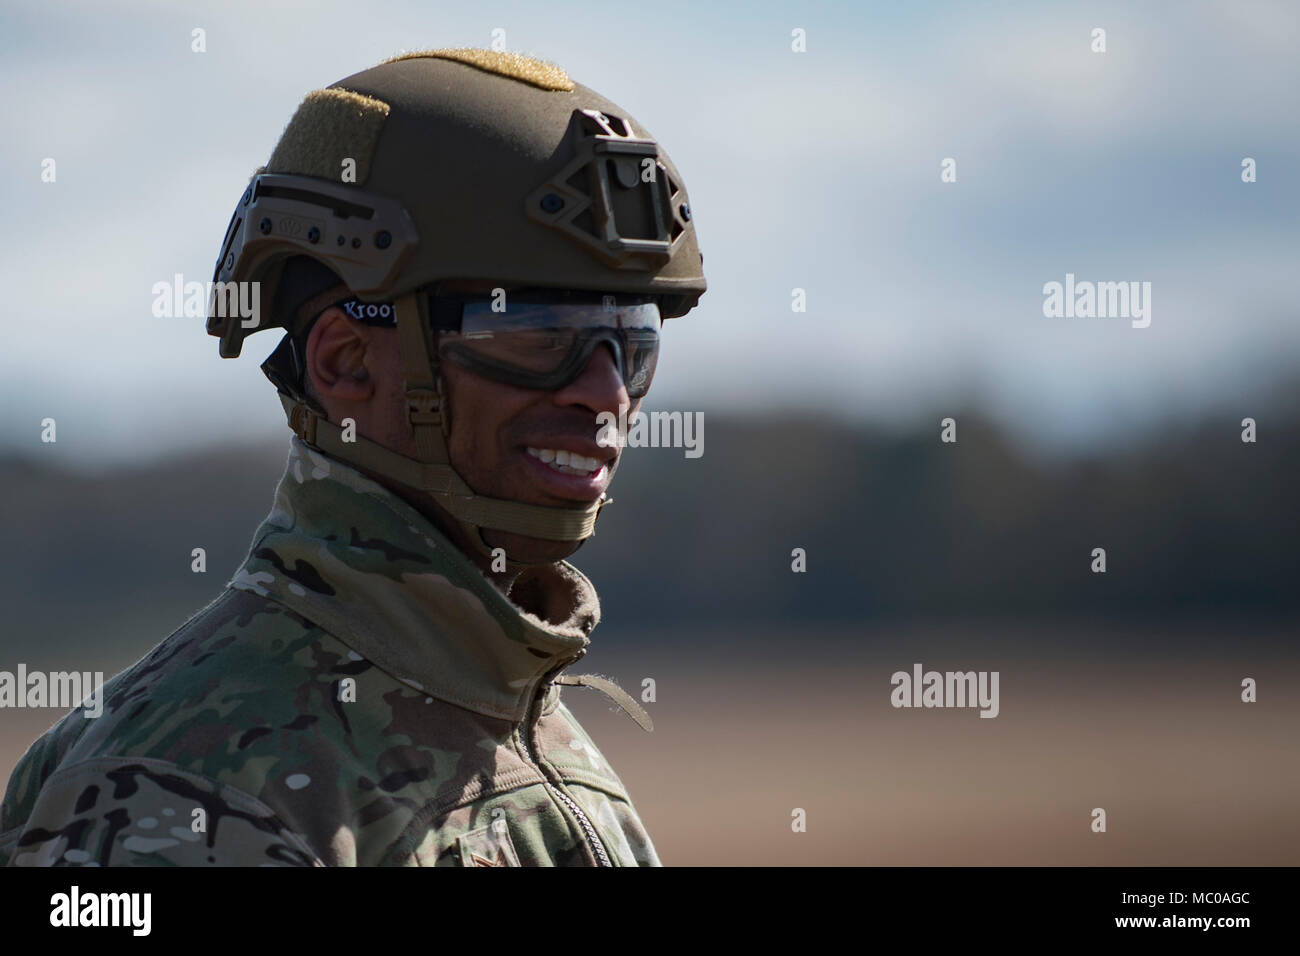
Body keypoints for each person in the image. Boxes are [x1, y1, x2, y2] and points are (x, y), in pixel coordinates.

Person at [0, 48, 705, 866]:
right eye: (542, 335)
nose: (606, 394)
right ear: (345, 363)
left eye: (630, 345)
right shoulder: (186, 785)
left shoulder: (517, 719)